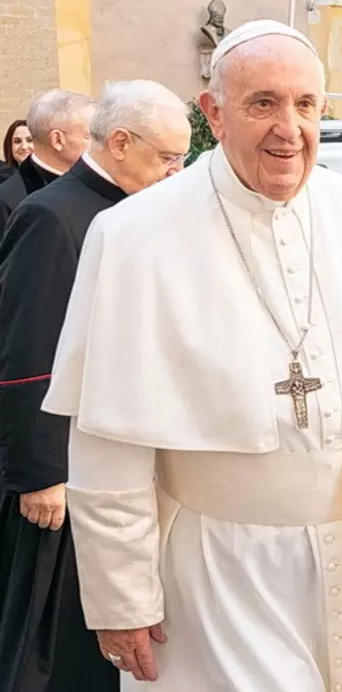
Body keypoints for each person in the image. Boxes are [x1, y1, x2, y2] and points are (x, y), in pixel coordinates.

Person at [44, 20, 342, 692]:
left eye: (305, 104)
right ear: (214, 114)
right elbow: (110, 437)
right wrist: (121, 597)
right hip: (220, 568)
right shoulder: (133, 236)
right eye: (263, 103)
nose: (290, 127)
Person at [0, 80, 190, 692]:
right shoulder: (51, 216)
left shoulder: (139, 211)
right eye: (167, 157)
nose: (175, 171)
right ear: (122, 143)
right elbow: (27, 352)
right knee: (51, 644)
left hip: (125, 454)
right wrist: (40, 473)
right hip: (66, 470)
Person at [0, 92, 93, 231]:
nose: (98, 144)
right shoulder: (7, 200)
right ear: (57, 140)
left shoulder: (93, 184)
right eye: (89, 135)